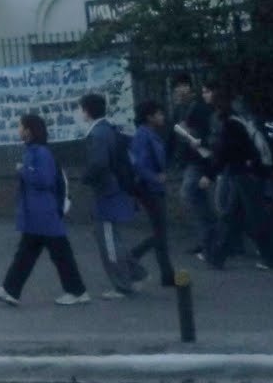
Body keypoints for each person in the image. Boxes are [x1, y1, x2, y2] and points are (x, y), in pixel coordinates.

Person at [0, 114, 89, 307]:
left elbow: (45, 180)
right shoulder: (36, 151)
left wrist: (23, 170)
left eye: (20, 126)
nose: (18, 130)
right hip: (40, 213)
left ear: (29, 131)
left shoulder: (40, 153)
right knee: (28, 252)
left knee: (56, 253)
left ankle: (77, 291)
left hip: (44, 212)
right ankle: (11, 290)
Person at [199, 85, 273, 271]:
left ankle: (272, 257)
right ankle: (218, 256)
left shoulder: (231, 124)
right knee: (235, 215)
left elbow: (224, 153)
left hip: (245, 174)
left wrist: (209, 174)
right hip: (248, 172)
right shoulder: (238, 120)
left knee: (252, 217)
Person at [79, 92, 142, 298]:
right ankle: (134, 272)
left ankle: (123, 283)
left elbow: (98, 163)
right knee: (111, 236)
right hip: (115, 189)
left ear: (86, 111)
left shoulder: (97, 134)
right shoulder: (109, 129)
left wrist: (85, 177)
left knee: (108, 239)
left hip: (106, 192)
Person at [128, 99, 176, 286]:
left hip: (153, 187)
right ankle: (133, 256)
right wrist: (155, 177)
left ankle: (167, 274)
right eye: (159, 113)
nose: (162, 116)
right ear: (149, 117)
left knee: (160, 231)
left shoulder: (150, 133)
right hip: (149, 188)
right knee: (160, 232)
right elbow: (138, 164)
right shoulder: (143, 135)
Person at [170, 75, 217, 254]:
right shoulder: (178, 110)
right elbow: (174, 135)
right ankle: (208, 237)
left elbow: (209, 131)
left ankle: (210, 236)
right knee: (198, 198)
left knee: (190, 194)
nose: (180, 90)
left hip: (200, 157)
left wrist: (197, 138)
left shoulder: (200, 107)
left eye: (183, 86)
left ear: (190, 88)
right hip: (190, 157)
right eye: (177, 87)